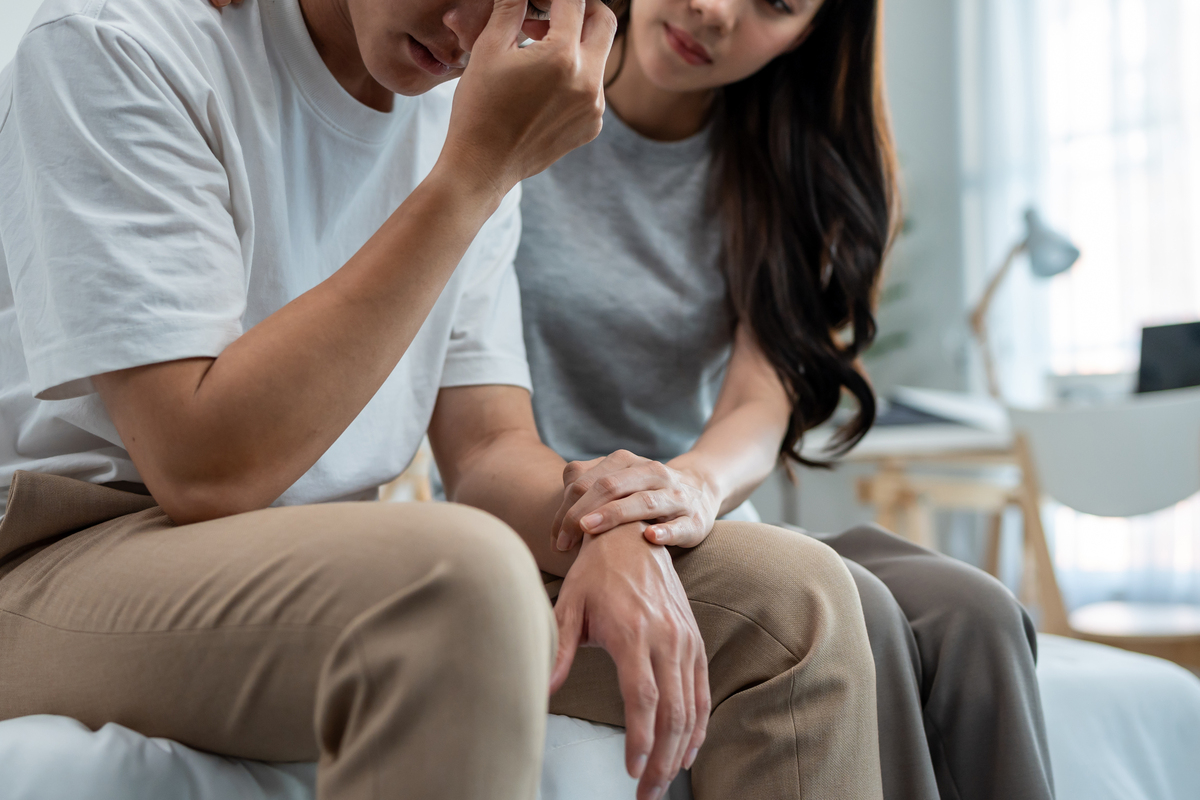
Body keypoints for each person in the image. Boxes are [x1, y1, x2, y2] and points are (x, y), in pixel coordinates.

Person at [0, 0, 883, 799]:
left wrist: (612, 524)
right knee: (457, 584)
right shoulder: (117, 41)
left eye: (527, 4)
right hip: (65, 549)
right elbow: (200, 468)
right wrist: (471, 175)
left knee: (790, 600)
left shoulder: (464, 104)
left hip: (313, 558)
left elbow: (491, 448)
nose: (471, 30)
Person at [505, 0, 1059, 798]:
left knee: (977, 613)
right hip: (545, 527)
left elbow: (754, 410)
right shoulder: (520, 98)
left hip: (707, 513)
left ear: (811, 32)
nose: (714, 10)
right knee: (852, 608)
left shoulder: (785, 170)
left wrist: (684, 490)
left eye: (777, 3)